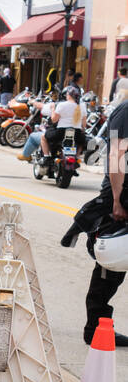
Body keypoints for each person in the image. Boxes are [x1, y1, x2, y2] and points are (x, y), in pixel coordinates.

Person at [61, 92, 128, 345]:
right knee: (111, 265)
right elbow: (117, 156)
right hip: (120, 195)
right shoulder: (125, 111)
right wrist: (118, 200)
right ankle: (96, 327)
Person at [40, 83, 86, 161]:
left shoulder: (62, 105)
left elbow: (54, 120)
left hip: (61, 133)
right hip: (76, 133)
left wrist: (52, 109)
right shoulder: (82, 106)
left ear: (68, 95)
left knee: (43, 137)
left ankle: (46, 157)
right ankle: (77, 157)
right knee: (82, 141)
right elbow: (84, 125)